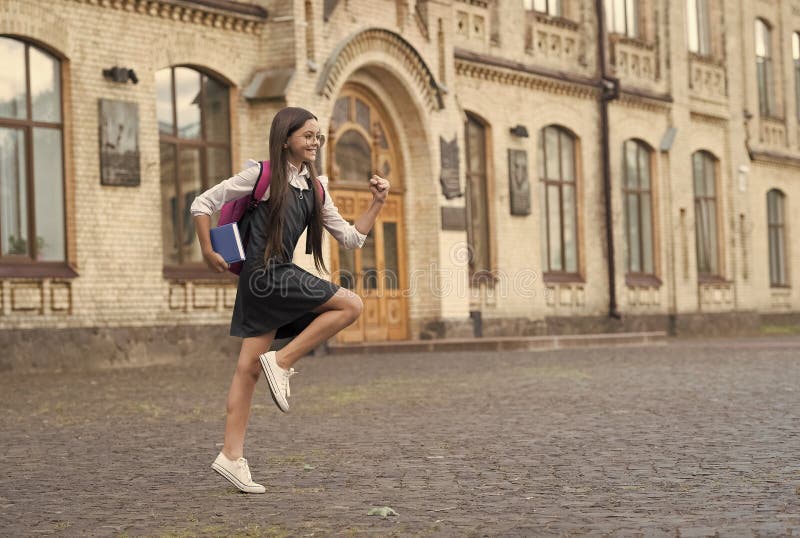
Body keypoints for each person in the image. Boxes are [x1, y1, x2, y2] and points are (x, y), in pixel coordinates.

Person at [190, 107, 390, 494]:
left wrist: (377, 203)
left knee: (247, 370)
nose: (315, 143)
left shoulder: (315, 188)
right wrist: (206, 250)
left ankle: (231, 457)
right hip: (267, 275)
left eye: (318, 137)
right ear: (286, 139)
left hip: (266, 281)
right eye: (308, 136)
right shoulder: (261, 177)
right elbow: (202, 203)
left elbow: (350, 238)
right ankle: (281, 363)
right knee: (351, 304)